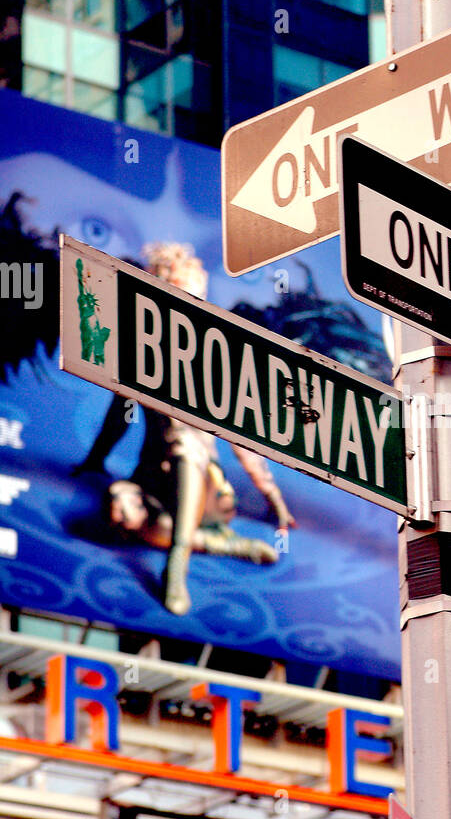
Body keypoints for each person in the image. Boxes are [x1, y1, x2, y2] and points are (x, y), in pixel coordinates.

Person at [75, 243, 296, 617]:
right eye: (179, 293)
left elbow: (240, 439)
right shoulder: (139, 353)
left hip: (206, 490)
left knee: (185, 447)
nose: (190, 303)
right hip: (153, 484)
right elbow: (119, 414)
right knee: (120, 512)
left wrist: (274, 499)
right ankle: (221, 545)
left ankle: (176, 567)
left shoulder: (214, 360)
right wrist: (95, 461)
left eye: (197, 295)